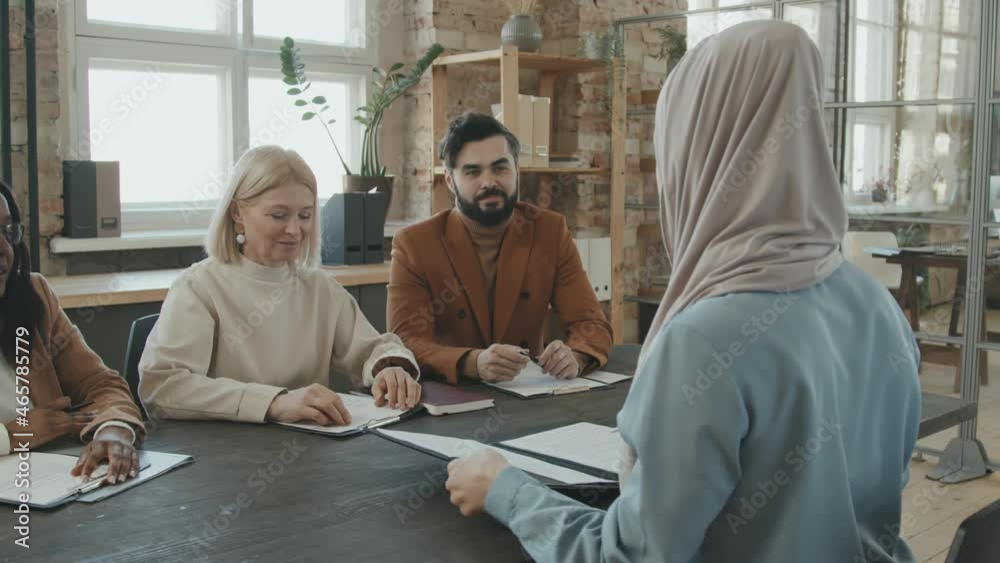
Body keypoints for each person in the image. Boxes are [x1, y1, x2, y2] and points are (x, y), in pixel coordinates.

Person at [445, 20, 921, 563]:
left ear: (697, 151)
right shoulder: (876, 304)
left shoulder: (703, 341)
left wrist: (506, 490)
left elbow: (628, 556)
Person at [139, 146, 421, 426]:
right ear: (237, 213)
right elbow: (163, 387)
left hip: (310, 446)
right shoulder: (199, 288)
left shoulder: (321, 289)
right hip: (225, 447)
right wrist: (272, 403)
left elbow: (373, 349)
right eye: (278, 215)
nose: (294, 230)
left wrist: (390, 368)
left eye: (305, 216)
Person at [388, 112, 612, 385]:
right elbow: (405, 341)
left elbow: (591, 324)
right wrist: (472, 362)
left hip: (528, 392)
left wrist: (575, 356)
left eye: (500, 168)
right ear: (449, 180)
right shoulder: (414, 244)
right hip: (452, 394)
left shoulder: (549, 231)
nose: (489, 182)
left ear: (517, 171)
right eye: (473, 172)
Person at [0, 180, 144, 484]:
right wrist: (10, 435)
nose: (3, 249)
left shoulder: (33, 295)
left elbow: (99, 384)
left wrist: (114, 428)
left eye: (5, 231)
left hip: (50, 479)